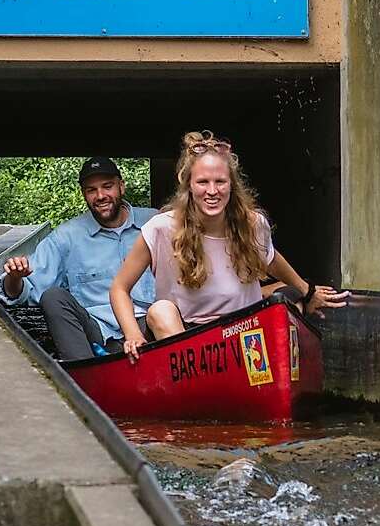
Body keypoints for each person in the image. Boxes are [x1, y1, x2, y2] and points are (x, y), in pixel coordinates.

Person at [108, 132, 345, 360]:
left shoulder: (252, 224)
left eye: (220, 182)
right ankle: (196, 391)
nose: (212, 191)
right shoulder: (161, 228)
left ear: (231, 185)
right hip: (189, 341)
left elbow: (271, 259)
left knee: (287, 301)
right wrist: (133, 335)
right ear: (189, 185)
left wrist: (308, 291)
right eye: (203, 182)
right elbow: (119, 287)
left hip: (247, 332)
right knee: (159, 311)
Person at [0, 157, 157, 362]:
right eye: (91, 190)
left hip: (152, 326)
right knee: (53, 296)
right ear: (83, 194)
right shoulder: (66, 237)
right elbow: (24, 291)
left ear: (121, 186)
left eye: (107, 186)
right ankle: (83, 376)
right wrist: (15, 276)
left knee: (168, 310)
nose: (100, 196)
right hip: (99, 333)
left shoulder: (155, 222)